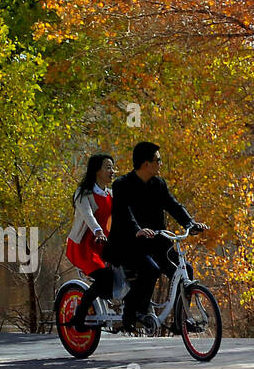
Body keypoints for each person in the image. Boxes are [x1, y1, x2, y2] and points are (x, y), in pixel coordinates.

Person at [106, 142, 206, 332]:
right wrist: (137, 229)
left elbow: (173, 205)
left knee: (185, 270)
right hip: (128, 244)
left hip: (157, 242)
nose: (160, 163)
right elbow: (123, 213)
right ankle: (133, 312)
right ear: (146, 164)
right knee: (151, 270)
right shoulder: (122, 185)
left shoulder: (158, 184)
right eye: (158, 160)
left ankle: (180, 321)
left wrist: (190, 224)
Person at [64, 154, 117, 329]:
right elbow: (88, 215)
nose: (112, 171)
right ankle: (79, 316)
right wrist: (98, 231)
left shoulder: (111, 194)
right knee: (104, 279)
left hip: (104, 245)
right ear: (97, 171)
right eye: (108, 167)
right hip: (84, 246)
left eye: (112, 167)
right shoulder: (83, 193)